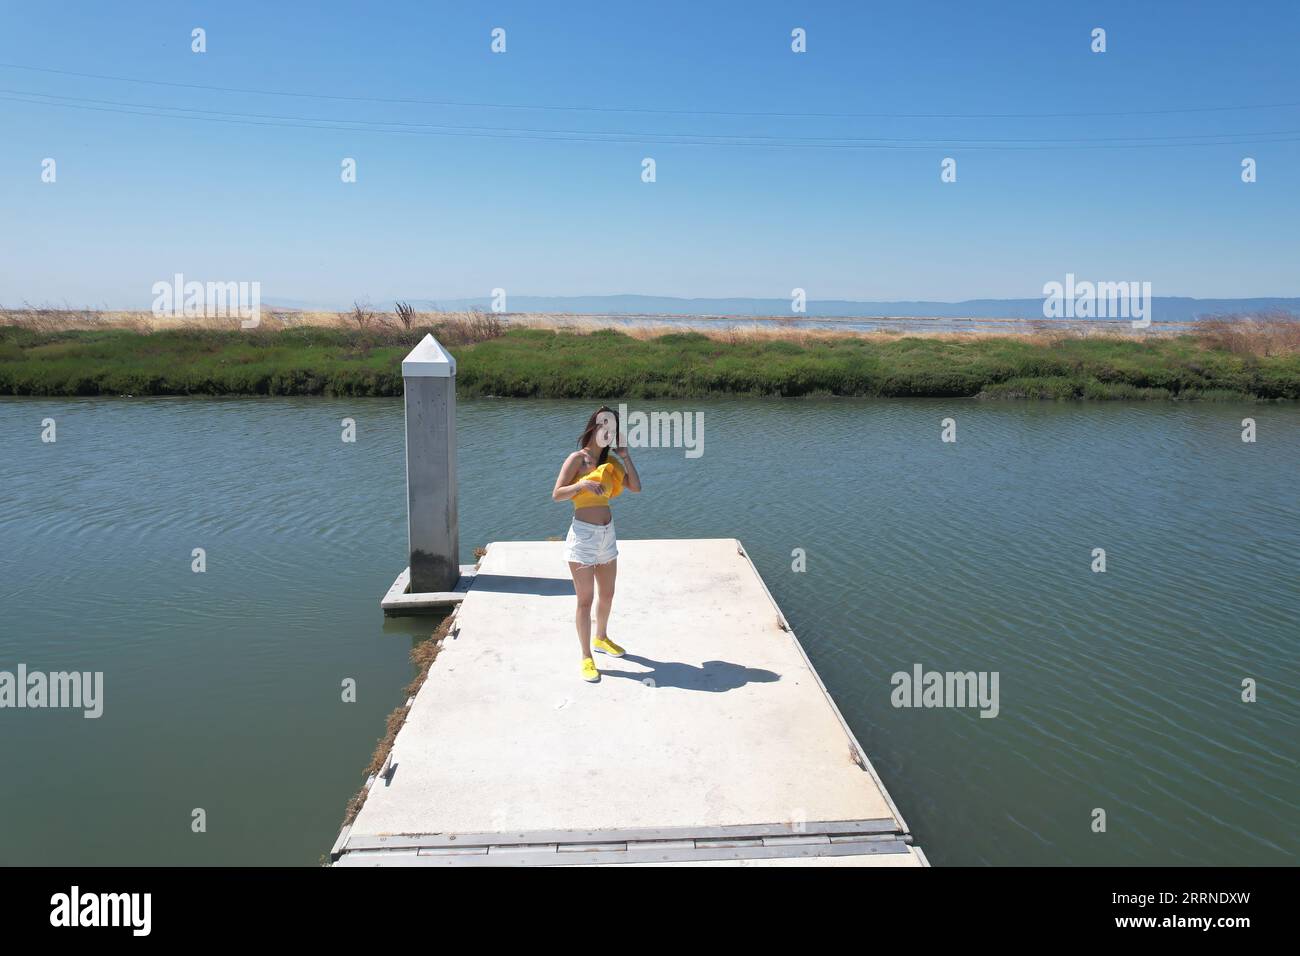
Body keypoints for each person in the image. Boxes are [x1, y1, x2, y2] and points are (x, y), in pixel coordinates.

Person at [551, 405, 642, 682]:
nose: (608, 432)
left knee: (608, 594)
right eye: (604, 427)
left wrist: (626, 457)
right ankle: (586, 657)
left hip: (607, 534)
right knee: (584, 600)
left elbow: (636, 487)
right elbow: (556, 494)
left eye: (613, 429)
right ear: (594, 427)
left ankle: (601, 638)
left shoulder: (611, 464)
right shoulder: (578, 459)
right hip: (583, 537)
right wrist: (582, 486)